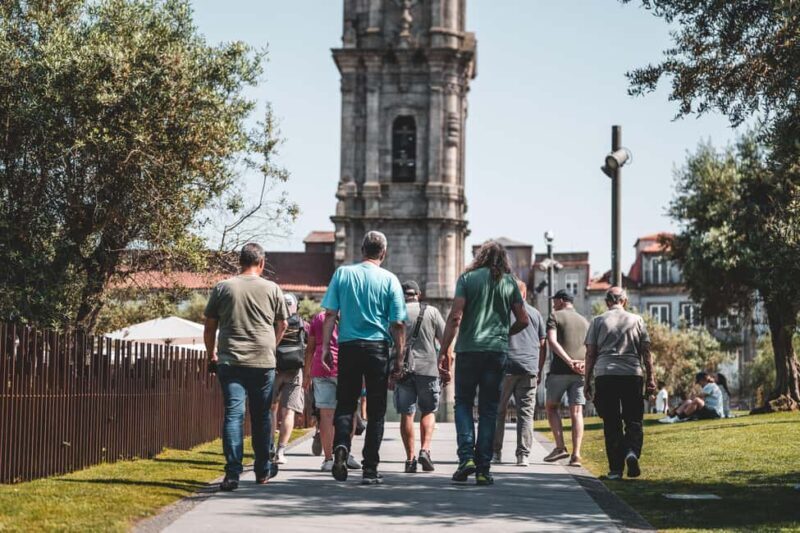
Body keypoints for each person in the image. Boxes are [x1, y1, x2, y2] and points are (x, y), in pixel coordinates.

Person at [438, 240, 529, 486]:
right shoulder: (509, 282)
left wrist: (444, 349)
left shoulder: (467, 279)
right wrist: (505, 333)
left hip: (468, 350)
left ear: (482, 256)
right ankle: (483, 469)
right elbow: (523, 319)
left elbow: (456, 316)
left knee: (463, 404)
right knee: (489, 410)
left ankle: (466, 458)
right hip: (496, 352)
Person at [320, 231, 407, 485]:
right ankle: (370, 468)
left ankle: (341, 447)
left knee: (346, 402)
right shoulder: (390, 280)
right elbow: (399, 323)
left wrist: (326, 347)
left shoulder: (343, 274)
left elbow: (329, 314)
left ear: (362, 250)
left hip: (347, 346)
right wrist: (399, 357)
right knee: (377, 410)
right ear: (383, 252)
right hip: (377, 349)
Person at [203, 243, 288, 491]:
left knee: (234, 414)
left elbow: (210, 326)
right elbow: (282, 324)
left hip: (231, 360)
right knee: (262, 415)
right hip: (263, 360)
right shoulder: (272, 289)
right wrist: (271, 345)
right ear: (261, 263)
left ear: (240, 262)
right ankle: (262, 470)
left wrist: (211, 354)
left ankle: (232, 474)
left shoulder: (223, 287)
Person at [585, 287, 655, 480]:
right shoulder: (637, 320)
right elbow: (646, 354)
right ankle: (632, 451)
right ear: (624, 301)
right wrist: (651, 379)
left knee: (611, 421)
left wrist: (587, 382)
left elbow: (590, 354)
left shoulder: (597, 321)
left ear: (607, 302)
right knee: (634, 419)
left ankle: (616, 470)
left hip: (605, 374)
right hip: (632, 373)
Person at [393, 280, 447, 474]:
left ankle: (410, 460)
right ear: (418, 294)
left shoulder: (395, 312)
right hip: (428, 369)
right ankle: (425, 449)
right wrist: (446, 365)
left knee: (407, 414)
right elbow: (445, 339)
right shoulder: (431, 312)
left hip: (404, 369)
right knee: (428, 410)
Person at [492, 278, 546, 467]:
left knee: (498, 411)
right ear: (524, 294)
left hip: (505, 367)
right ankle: (523, 455)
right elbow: (542, 343)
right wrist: (538, 368)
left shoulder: (501, 312)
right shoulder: (536, 314)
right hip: (529, 367)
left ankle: (496, 453)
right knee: (526, 414)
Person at [303, 311, 361, 471]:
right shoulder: (353, 316)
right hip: (347, 368)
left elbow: (310, 348)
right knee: (350, 412)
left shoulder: (319, 317)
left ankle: (328, 459)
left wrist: (307, 373)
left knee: (326, 415)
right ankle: (345, 453)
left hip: (321, 369)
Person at [543, 288, 590, 468]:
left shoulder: (555, 316)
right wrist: (583, 363)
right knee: (577, 412)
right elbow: (591, 347)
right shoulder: (585, 321)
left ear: (561, 301)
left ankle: (560, 447)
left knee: (551, 407)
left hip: (559, 371)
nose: (553, 303)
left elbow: (552, 342)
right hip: (580, 372)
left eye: (555, 300)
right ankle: (576, 455)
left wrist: (570, 361)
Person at [272, 293, 306, 465]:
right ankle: (281, 451)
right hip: (294, 370)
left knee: (271, 409)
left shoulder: (272, 322)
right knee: (288, 411)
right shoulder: (302, 323)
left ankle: (270, 447)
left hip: (274, 368)